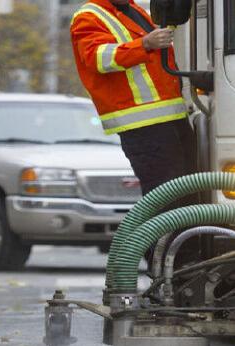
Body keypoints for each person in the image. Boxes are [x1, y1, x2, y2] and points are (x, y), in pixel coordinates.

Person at [70, 0, 197, 199]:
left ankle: (188, 231)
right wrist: (145, 44)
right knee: (166, 198)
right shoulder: (88, 16)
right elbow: (97, 58)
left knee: (189, 191)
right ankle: (165, 232)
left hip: (171, 117)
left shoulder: (132, 9)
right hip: (142, 124)